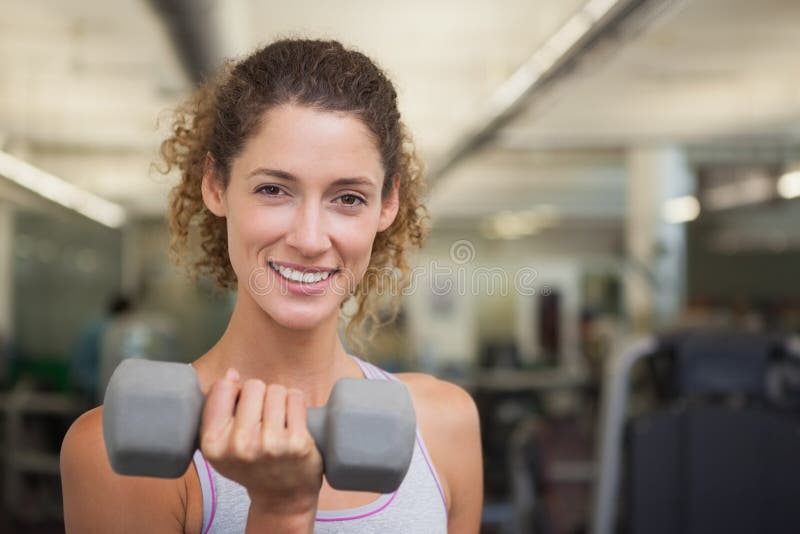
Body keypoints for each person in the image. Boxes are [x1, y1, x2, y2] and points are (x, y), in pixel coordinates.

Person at [60, 38, 482, 533]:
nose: (308, 238)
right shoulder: (113, 451)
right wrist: (281, 509)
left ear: (387, 205)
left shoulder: (445, 424)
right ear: (216, 186)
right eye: (273, 190)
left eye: (347, 198)